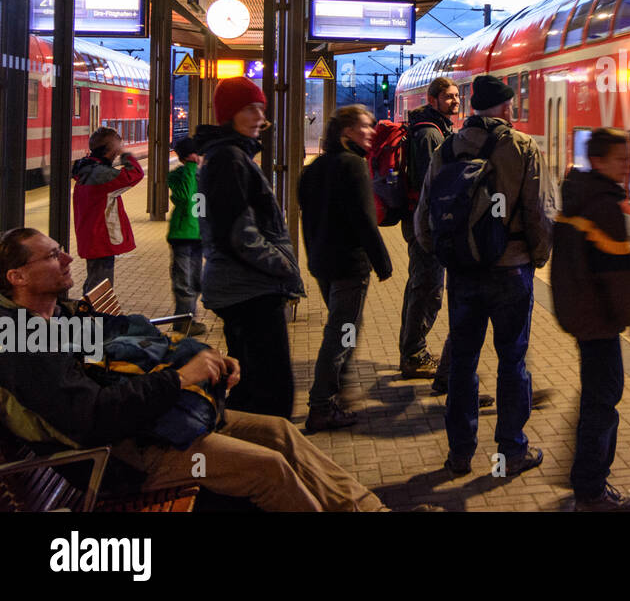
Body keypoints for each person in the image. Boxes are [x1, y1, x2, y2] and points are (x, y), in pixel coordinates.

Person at [0, 227, 384, 511]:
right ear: (16, 277)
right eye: (52, 256)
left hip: (155, 423)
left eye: (61, 250)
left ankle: (370, 510)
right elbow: (91, 415)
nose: (68, 259)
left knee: (278, 432)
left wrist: (205, 358)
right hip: (119, 458)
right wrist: (181, 378)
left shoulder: (62, 317)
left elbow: (141, 347)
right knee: (267, 468)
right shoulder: (23, 342)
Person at [423, 73, 554, 477]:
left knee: (463, 362)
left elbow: (423, 220)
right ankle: (511, 450)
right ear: (503, 107)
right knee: (512, 359)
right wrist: (538, 256)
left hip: (464, 274)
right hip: (511, 270)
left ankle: (459, 454)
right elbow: (540, 213)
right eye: (511, 104)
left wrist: (448, 255)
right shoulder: (522, 147)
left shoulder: (446, 149)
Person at [551, 128, 630, 511]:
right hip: (597, 321)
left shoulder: (577, 197)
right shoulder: (603, 206)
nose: (627, 167)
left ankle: (584, 479)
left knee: (597, 397)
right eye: (621, 160)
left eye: (629, 159)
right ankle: (591, 490)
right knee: (603, 401)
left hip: (581, 315)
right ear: (598, 161)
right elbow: (621, 278)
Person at [194, 76, 304, 419]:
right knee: (272, 390)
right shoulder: (229, 159)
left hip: (238, 285)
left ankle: (247, 453)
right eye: (249, 109)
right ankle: (267, 458)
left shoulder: (223, 155)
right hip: (249, 289)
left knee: (249, 382)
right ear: (230, 114)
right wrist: (282, 265)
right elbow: (238, 234)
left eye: (261, 109)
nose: (259, 116)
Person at [298, 105, 392, 432]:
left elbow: (306, 220)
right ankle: (321, 404)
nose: (371, 132)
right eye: (365, 126)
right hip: (349, 266)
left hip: (322, 264)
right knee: (341, 333)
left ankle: (338, 390)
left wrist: (312, 258)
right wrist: (383, 262)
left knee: (345, 327)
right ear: (346, 132)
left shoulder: (313, 169)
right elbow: (365, 220)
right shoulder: (354, 166)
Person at [399, 77, 458, 381]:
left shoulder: (433, 128)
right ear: (433, 99)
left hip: (421, 222)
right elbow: (430, 184)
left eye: (457, 96)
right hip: (426, 225)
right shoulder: (428, 134)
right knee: (427, 290)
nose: (456, 101)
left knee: (420, 286)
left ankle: (412, 350)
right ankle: (414, 356)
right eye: (449, 97)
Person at [71, 126, 143, 294]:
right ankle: (95, 318)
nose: (118, 153)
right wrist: (126, 155)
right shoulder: (101, 175)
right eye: (117, 149)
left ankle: (92, 315)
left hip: (91, 236)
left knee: (95, 281)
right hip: (101, 238)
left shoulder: (86, 170)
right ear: (110, 150)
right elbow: (135, 174)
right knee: (100, 287)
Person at [166, 137, 206, 336]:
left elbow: (205, 207)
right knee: (184, 281)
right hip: (182, 235)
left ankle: (188, 318)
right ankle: (183, 322)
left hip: (198, 236)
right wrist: (191, 168)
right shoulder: (181, 175)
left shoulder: (203, 176)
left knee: (196, 280)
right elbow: (183, 196)